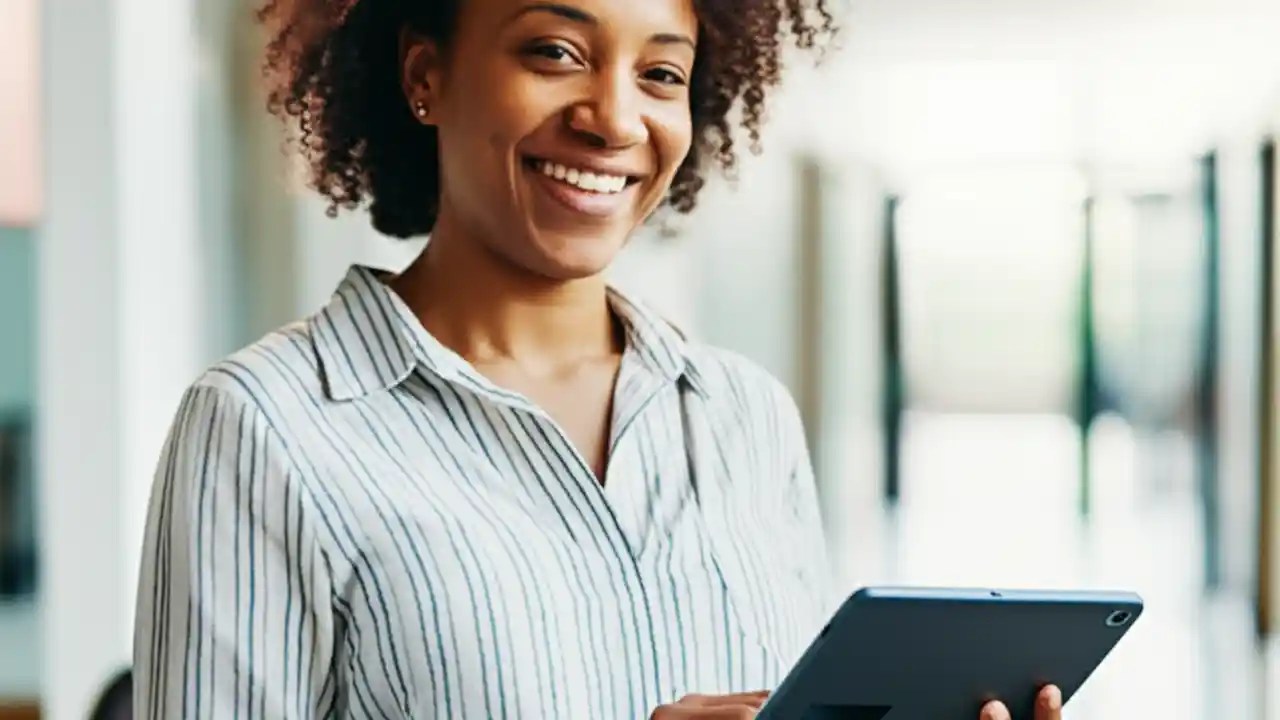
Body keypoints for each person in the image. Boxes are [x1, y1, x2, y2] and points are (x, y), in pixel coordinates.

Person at [132, 0, 1062, 718]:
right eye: (555, 52)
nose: (615, 119)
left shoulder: (745, 415)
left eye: (662, 72)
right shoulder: (266, 426)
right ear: (427, 74)